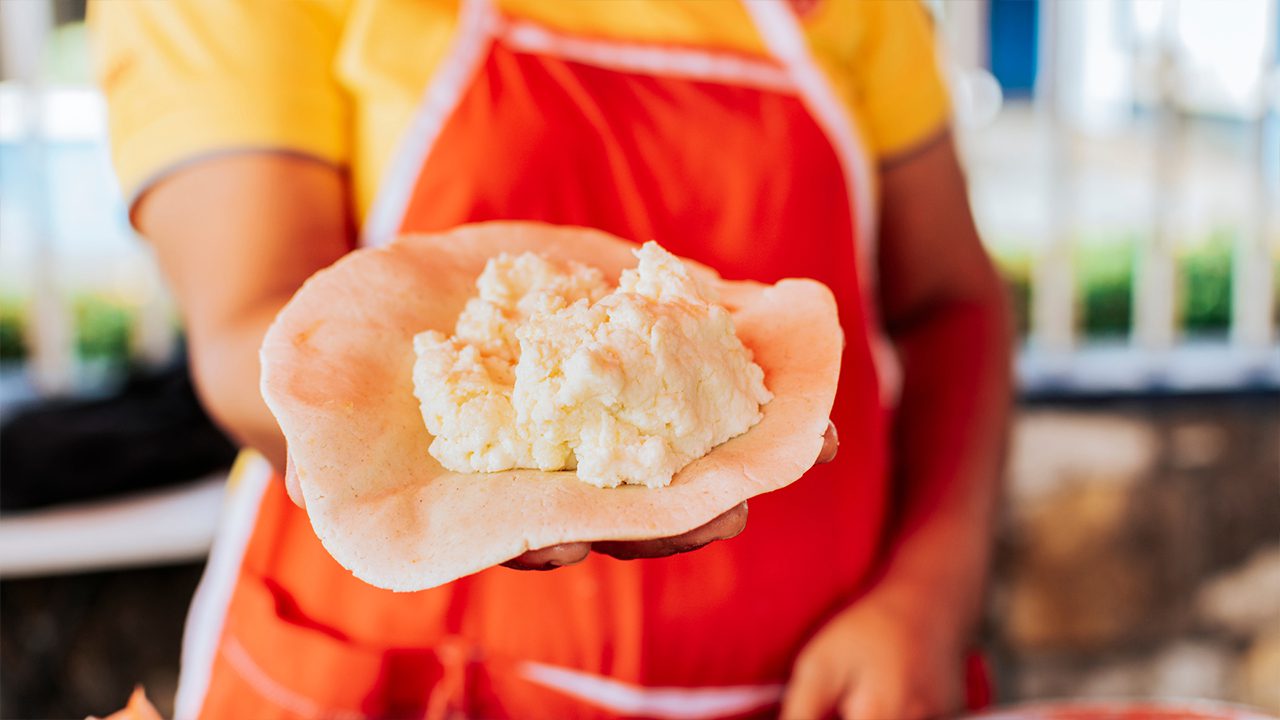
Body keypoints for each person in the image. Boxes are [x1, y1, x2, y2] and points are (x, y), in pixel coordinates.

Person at [91, 0, 1011, 717]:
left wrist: (929, 595)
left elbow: (952, 302)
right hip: (405, 685)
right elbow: (255, 329)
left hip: (813, 688)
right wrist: (477, 473)